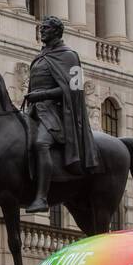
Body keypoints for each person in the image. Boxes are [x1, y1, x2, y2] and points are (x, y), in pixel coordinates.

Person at [22, 15, 96, 213]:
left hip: (56, 113)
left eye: (45, 28)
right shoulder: (41, 55)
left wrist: (42, 94)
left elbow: (74, 90)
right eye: (41, 28)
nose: (42, 31)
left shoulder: (70, 56)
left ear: (56, 31)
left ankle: (41, 198)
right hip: (35, 110)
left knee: (41, 143)